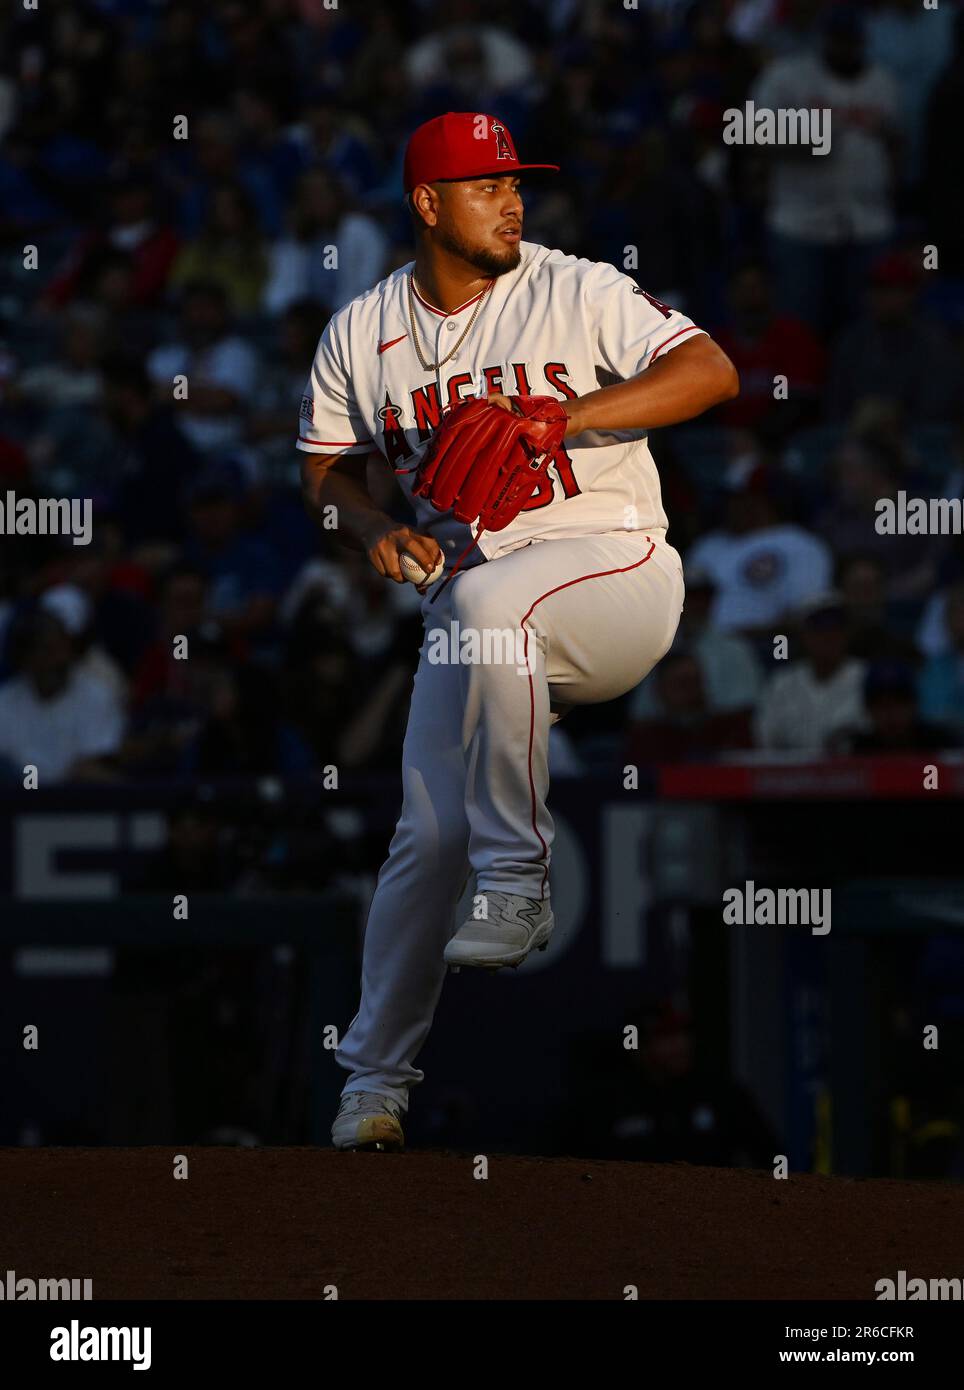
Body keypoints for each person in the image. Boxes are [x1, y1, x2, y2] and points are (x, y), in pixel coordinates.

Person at [298, 111, 738, 1152]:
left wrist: (564, 418)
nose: (512, 200)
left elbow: (712, 371)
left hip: (613, 564)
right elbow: (325, 465)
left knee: (500, 607)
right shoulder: (360, 334)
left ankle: (519, 878)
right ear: (426, 204)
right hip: (473, 605)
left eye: (516, 183)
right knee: (425, 833)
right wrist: (370, 527)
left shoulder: (575, 287)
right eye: (487, 184)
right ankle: (372, 1084)